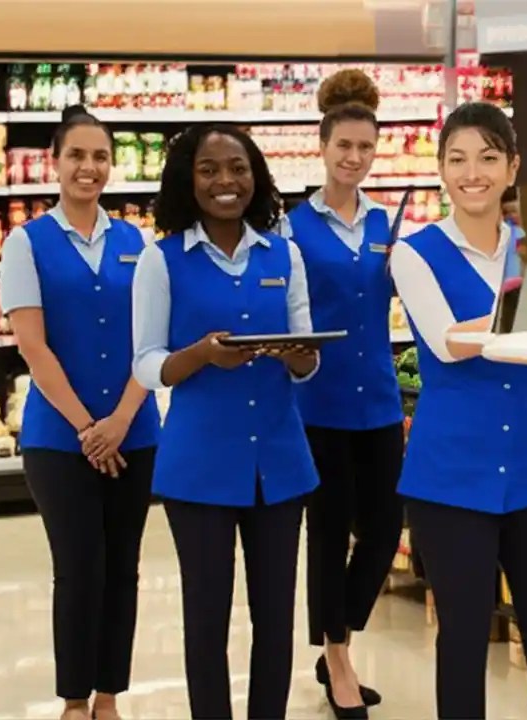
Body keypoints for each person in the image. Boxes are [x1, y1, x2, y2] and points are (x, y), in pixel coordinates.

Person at [388, 101, 527, 720]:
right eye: (457, 159)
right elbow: (446, 341)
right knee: (465, 638)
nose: (472, 173)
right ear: (442, 169)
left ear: (512, 167)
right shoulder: (413, 253)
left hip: (525, 469)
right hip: (449, 477)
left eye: (488, 158)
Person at [132, 123, 320, 720]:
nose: (225, 181)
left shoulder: (284, 254)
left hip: (280, 464)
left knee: (276, 618)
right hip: (200, 468)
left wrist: (301, 358)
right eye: (210, 169)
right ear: (189, 179)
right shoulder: (160, 261)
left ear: (256, 176)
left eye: (238, 167)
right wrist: (200, 356)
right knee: (206, 618)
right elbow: (146, 365)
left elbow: (305, 354)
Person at [0, 106, 160, 720]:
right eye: (76, 156)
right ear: (55, 162)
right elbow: (33, 346)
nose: (88, 168)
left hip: (136, 429)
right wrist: (89, 428)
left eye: (99, 157)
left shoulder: (135, 243)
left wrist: (119, 420)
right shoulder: (26, 242)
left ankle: (109, 696)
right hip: (58, 440)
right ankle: (72, 700)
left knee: (123, 569)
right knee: (78, 567)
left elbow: (150, 341)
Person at [277, 68, 400, 719]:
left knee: (384, 529)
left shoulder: (389, 222)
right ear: (321, 149)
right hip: (316, 405)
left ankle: (337, 637)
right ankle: (339, 659)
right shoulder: (293, 228)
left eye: (365, 148)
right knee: (326, 533)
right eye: (343, 147)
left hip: (379, 399)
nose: (354, 158)